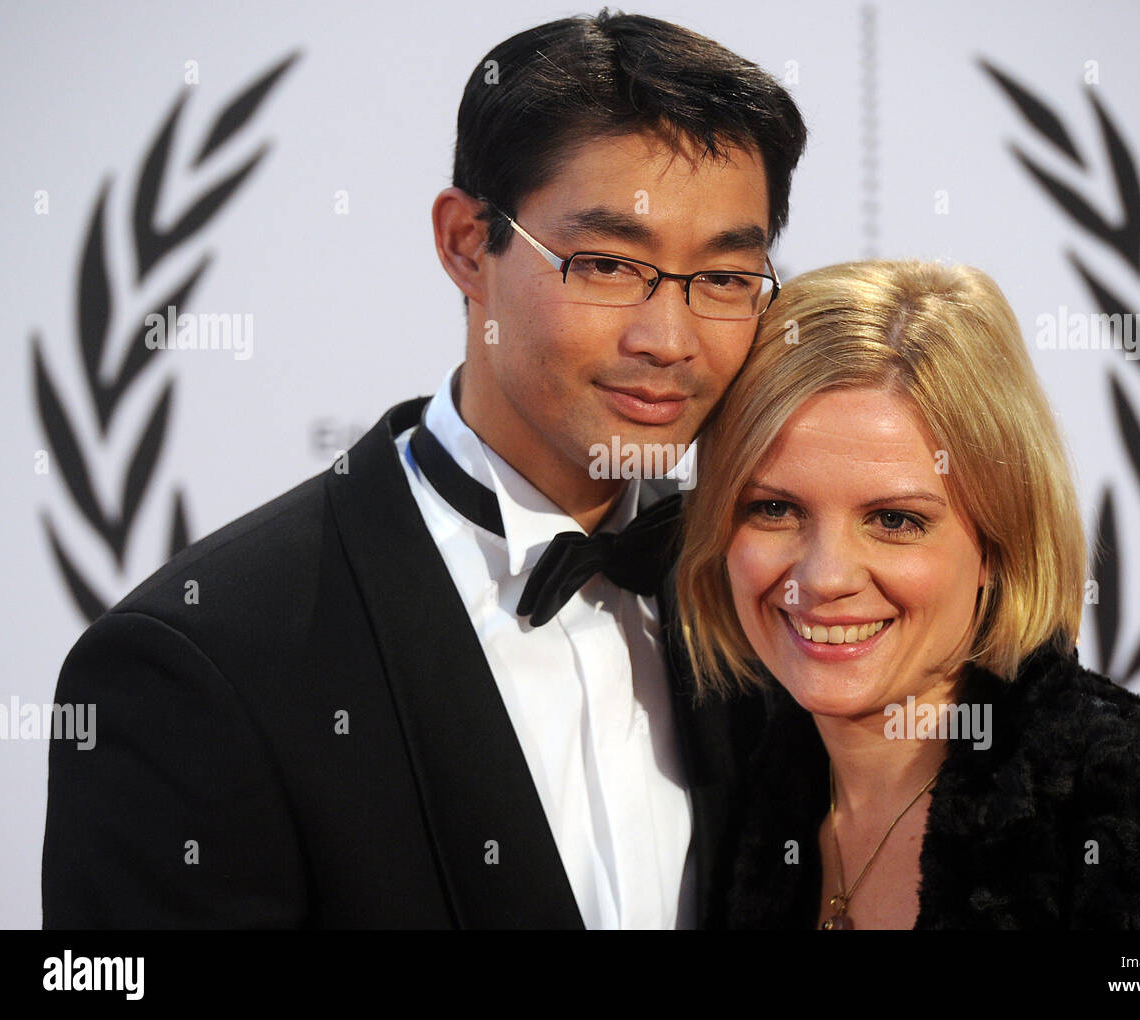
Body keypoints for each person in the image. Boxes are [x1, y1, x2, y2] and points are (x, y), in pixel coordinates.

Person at [42, 11, 806, 929]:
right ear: (464, 245)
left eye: (724, 279)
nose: (669, 340)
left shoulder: (770, 599)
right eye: (606, 264)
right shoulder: (203, 663)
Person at [678, 259, 1140, 928]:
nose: (824, 576)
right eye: (774, 509)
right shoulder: (723, 793)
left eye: (895, 521)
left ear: (998, 545)